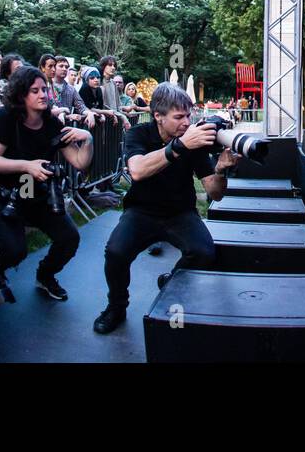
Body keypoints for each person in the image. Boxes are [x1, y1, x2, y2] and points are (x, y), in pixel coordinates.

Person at [94, 82, 238, 334]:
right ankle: (116, 306)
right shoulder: (139, 134)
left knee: (204, 252)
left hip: (179, 213)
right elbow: (137, 170)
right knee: (116, 253)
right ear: (158, 116)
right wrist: (180, 146)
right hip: (141, 211)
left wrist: (221, 170)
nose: (187, 122)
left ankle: (172, 280)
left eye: (189, 115)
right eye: (179, 116)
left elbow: (215, 193)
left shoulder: (194, 142)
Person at [0, 66, 92, 300]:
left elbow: (80, 162)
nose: (43, 95)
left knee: (69, 238)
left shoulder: (51, 122)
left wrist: (89, 140)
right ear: (21, 95)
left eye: (44, 89)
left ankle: (45, 275)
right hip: (3, 192)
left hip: (35, 191)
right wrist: (26, 165)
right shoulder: (4, 118)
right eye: (35, 90)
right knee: (14, 252)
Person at [51, 56, 96, 129]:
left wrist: (89, 113)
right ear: (53, 67)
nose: (64, 69)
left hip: (66, 129)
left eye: (66, 67)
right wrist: (64, 115)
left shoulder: (71, 89)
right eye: (61, 66)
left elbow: (80, 106)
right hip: (48, 128)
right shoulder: (46, 86)